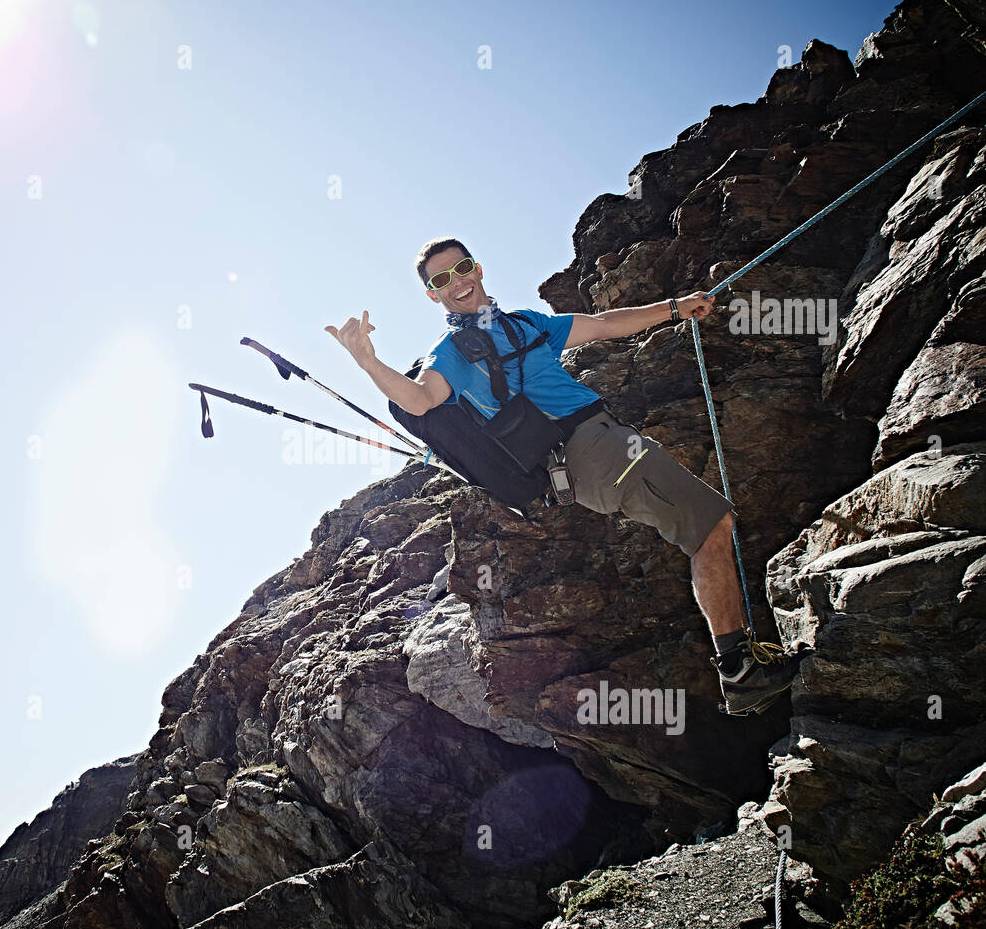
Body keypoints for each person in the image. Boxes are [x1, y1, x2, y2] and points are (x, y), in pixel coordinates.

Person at [324, 237, 801, 716]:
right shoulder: (451, 351)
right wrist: (368, 361)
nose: (457, 282)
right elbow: (420, 399)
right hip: (589, 451)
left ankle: (741, 664)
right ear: (433, 295)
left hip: (602, 444)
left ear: (478, 268)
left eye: (461, 268)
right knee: (709, 524)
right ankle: (739, 670)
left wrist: (674, 308)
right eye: (442, 279)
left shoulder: (524, 324)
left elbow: (603, 325)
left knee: (708, 524)